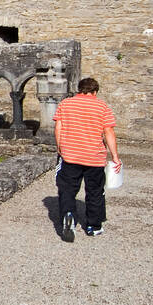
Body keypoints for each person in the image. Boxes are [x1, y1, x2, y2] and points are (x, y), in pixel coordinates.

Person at [53, 77, 120, 241]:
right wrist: (115, 157)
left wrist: (60, 148)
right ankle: (93, 226)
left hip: (70, 155)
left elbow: (58, 128)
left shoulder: (66, 104)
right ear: (95, 91)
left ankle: (68, 216)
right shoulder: (101, 106)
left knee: (68, 189)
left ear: (79, 89)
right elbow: (108, 132)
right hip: (94, 157)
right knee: (95, 191)